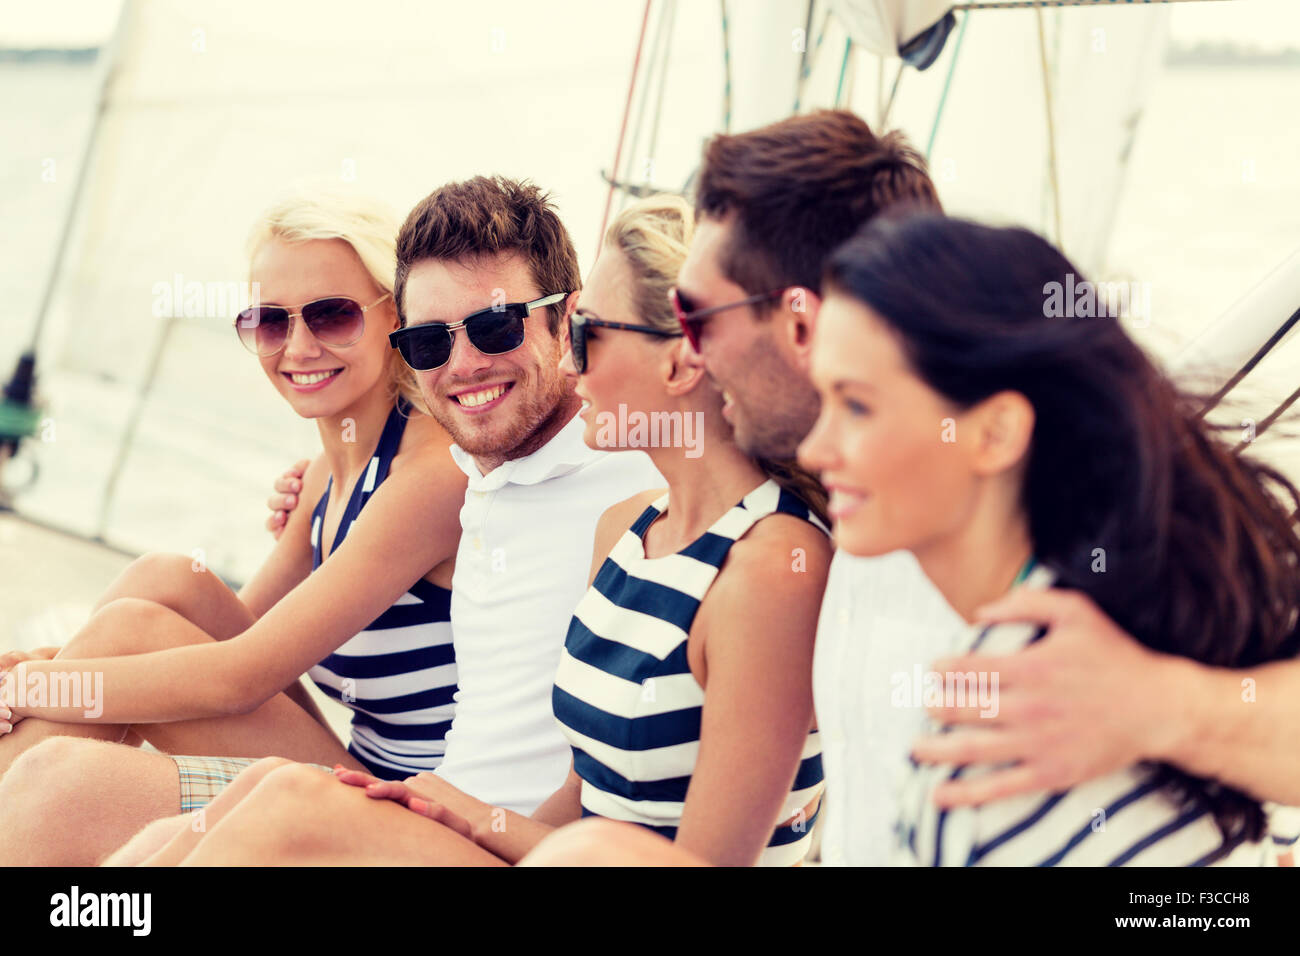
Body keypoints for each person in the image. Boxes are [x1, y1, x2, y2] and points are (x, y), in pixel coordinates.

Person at [115, 194, 833, 868]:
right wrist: (459, 810)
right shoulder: (629, 530)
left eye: (585, 332)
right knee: (195, 824)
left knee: (290, 803)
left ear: (679, 358)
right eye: (427, 341)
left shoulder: (770, 566)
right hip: (520, 839)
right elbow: (582, 799)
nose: (574, 364)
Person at [798, 213, 1300, 864]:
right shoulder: (1178, 606)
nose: (814, 449)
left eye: (857, 405)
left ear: (996, 431)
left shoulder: (996, 739)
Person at [0, 188, 466, 866]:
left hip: (417, 811)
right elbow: (218, 633)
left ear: (395, 314)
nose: (299, 345)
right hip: (357, 762)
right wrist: (54, 667)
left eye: (333, 315)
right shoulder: (323, 479)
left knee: (60, 770)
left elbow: (237, 679)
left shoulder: (426, 475)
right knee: (164, 583)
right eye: (271, 322)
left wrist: (33, 687)